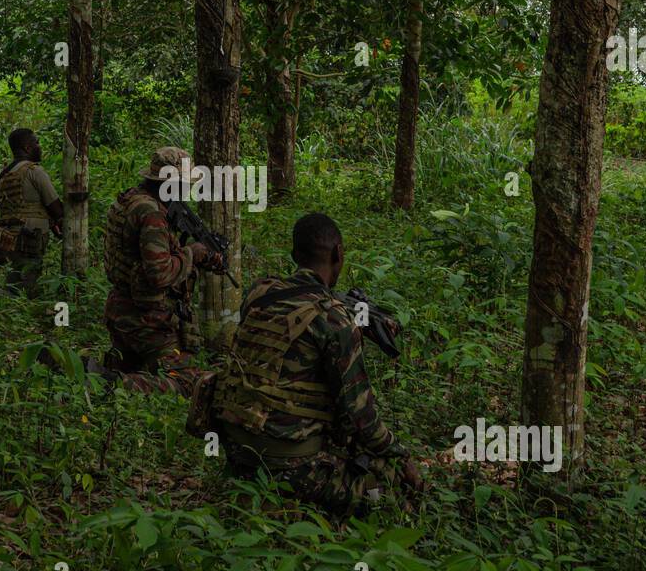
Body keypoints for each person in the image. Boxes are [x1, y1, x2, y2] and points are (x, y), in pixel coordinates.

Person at [206, 212, 424, 516]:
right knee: (391, 487)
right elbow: (362, 417)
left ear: (295, 254)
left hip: (236, 449)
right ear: (338, 254)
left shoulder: (258, 293)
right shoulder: (335, 320)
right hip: (290, 463)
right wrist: (401, 456)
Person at [101, 146, 218, 378]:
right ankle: (112, 382)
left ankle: (110, 375)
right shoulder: (151, 213)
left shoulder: (131, 199)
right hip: (146, 321)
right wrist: (191, 254)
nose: (187, 191)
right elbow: (159, 273)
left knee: (130, 368)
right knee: (187, 382)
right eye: (185, 185)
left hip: (123, 310)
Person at [0, 128, 63, 296]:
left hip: (8, 239)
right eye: (37, 143)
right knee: (23, 291)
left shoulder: (4, 175)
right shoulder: (34, 171)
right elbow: (57, 208)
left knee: (17, 281)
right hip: (29, 239)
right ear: (27, 148)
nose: (40, 147)